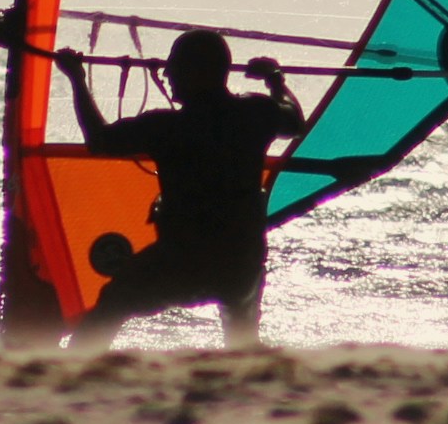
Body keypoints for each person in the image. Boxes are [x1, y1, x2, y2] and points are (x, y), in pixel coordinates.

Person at [56, 27, 303, 350]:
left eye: (174, 65)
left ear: (196, 72)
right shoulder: (256, 112)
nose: (167, 72)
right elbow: (295, 120)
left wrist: (76, 79)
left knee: (114, 301)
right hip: (240, 262)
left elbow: (100, 141)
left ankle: (71, 372)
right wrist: (274, 79)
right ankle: (248, 379)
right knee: (242, 330)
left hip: (183, 262)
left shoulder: (166, 127)